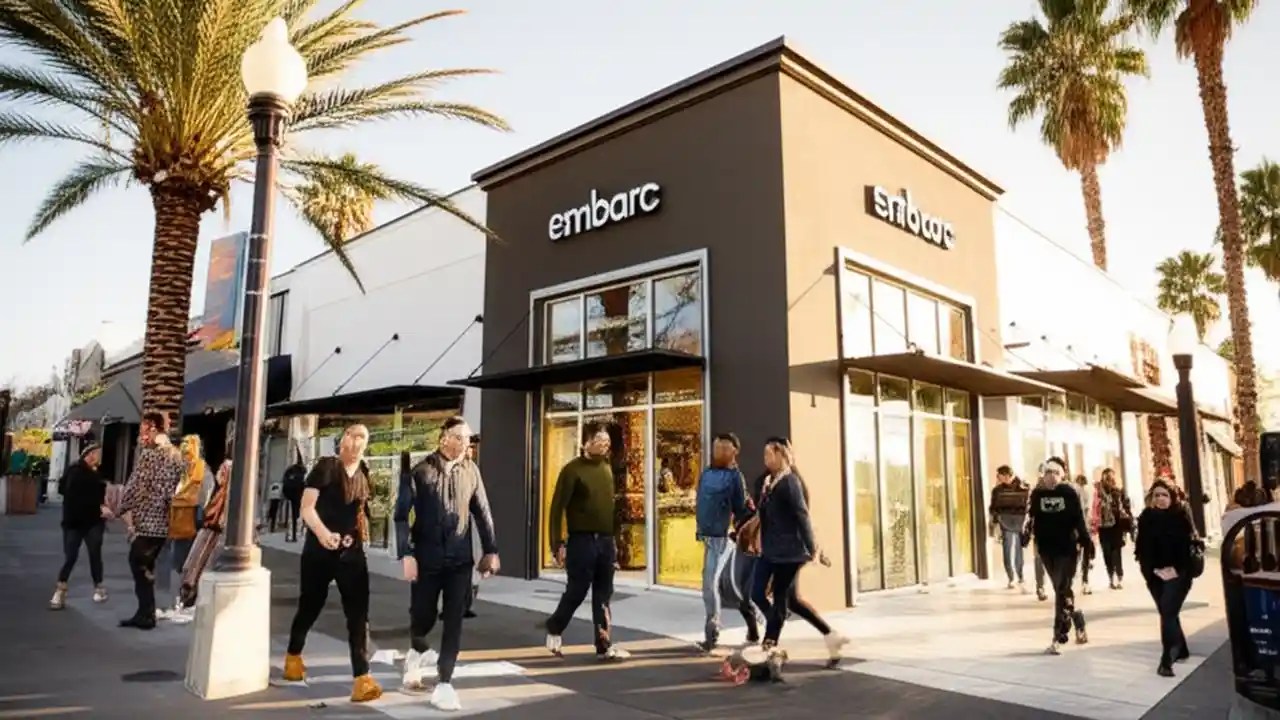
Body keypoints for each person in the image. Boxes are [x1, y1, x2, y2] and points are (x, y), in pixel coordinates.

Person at [396, 417, 499, 712]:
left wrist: (491, 550)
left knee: (454, 619)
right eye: (462, 438)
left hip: (459, 562)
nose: (467, 444)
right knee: (423, 616)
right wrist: (407, 554)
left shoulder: (472, 471)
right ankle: (417, 648)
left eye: (469, 440)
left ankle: (444, 683)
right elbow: (401, 516)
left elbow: (483, 512)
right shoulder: (420, 471)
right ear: (445, 439)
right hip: (426, 560)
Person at [283, 424, 382, 703]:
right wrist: (323, 534)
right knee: (310, 605)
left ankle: (362, 678)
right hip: (319, 551)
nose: (356, 440)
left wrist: (362, 540)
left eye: (363, 436)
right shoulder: (326, 467)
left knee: (359, 615)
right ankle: (293, 656)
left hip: (352, 554)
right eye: (352, 435)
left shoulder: (364, 474)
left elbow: (361, 514)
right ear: (342, 442)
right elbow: (306, 507)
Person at [544, 421, 630, 661]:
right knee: (577, 591)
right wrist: (557, 543)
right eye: (598, 440)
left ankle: (603, 644)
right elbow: (557, 508)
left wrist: (615, 542)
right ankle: (555, 626)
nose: (603, 445)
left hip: (605, 542)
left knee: (604, 594)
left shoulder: (608, 467)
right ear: (585, 443)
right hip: (581, 541)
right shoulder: (572, 470)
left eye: (606, 441)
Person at [750, 436, 831, 656]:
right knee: (757, 593)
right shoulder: (767, 481)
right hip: (768, 550)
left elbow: (802, 515)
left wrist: (812, 548)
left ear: (781, 455)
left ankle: (770, 642)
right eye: (764, 453)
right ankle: (828, 633)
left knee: (780, 599)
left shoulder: (790, 482)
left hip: (789, 553)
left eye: (769, 453)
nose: (765, 458)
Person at [117, 412, 184, 630]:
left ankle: (146, 614)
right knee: (145, 565)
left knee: (139, 564)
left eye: (143, 429)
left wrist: (122, 508)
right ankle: (145, 612)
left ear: (153, 428)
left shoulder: (150, 454)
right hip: (163, 522)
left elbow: (136, 484)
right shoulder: (176, 455)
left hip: (147, 520)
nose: (140, 434)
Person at [1024, 457, 1093, 655]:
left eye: (1056, 473)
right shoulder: (1037, 494)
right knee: (1061, 590)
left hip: (1067, 549)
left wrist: (1086, 541)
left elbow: (1079, 518)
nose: (1051, 477)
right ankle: (1078, 619)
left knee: (1062, 589)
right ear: (1042, 476)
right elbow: (1031, 517)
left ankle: (1058, 636)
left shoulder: (1069, 493)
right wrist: (1027, 535)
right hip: (1046, 549)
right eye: (1048, 473)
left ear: (1062, 475)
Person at [694, 432, 751, 652]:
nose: (719, 452)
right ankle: (750, 625)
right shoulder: (706, 473)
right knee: (721, 586)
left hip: (722, 538)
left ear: (734, 452)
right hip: (707, 537)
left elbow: (740, 508)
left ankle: (713, 630)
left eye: (725, 448)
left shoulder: (735, 477)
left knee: (712, 584)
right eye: (717, 447)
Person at [1135, 480, 1196, 677]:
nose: (1160, 499)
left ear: (1172, 498)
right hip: (1155, 575)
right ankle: (1182, 648)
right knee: (1167, 612)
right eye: (1157, 495)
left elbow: (1187, 550)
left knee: (1168, 613)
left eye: (1164, 495)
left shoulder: (1180, 517)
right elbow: (1141, 550)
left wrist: (1175, 570)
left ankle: (1166, 660)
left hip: (1179, 574)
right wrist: (1151, 572)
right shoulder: (1146, 518)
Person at [51, 444, 111, 609]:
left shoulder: (92, 473)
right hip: (78, 521)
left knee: (87, 554)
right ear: (89, 454)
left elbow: (63, 489)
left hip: (85, 522)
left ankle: (92, 587)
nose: (99, 457)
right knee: (77, 556)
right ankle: (62, 589)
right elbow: (73, 494)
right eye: (97, 454)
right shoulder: (78, 472)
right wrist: (100, 508)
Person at [179, 432, 233, 610]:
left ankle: (191, 589)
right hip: (214, 518)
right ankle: (193, 589)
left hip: (212, 519)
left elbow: (213, 486)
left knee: (199, 555)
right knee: (202, 556)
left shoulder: (219, 469)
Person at [157, 435, 207, 615]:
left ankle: (185, 600)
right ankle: (179, 600)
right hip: (178, 522)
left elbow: (204, 497)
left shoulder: (201, 469)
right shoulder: (182, 470)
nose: (185, 453)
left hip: (193, 521)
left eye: (188, 448)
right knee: (178, 563)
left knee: (189, 563)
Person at [988, 465, 1030, 591]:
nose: (997, 478)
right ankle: (1012, 577)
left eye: (999, 476)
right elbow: (993, 507)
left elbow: (1028, 504)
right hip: (1005, 522)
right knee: (1008, 550)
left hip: (1018, 522)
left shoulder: (1023, 487)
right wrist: (994, 522)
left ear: (1006, 475)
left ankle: (1019, 575)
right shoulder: (997, 490)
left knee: (1017, 549)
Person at [1093, 468, 1133, 590]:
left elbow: (1126, 507)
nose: (1110, 481)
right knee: (1107, 554)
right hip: (1103, 528)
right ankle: (1111, 576)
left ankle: (1119, 576)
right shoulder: (1097, 493)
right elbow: (1093, 508)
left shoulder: (1119, 492)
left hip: (1116, 527)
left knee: (1116, 553)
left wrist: (1129, 523)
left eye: (1111, 479)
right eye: (1107, 479)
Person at [1074, 474, 1096, 595]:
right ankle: (1085, 579)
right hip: (1083, 527)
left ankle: (1082, 576)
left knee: (1078, 552)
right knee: (1085, 552)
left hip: (1078, 528)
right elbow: (1087, 511)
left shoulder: (1076, 492)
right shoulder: (1085, 493)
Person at [282, 450, 306, 542]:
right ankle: (293, 534)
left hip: (293, 495)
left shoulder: (292, 471)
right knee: (295, 515)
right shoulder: (298, 471)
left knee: (295, 515)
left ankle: (293, 534)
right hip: (295, 495)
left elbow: (285, 481)